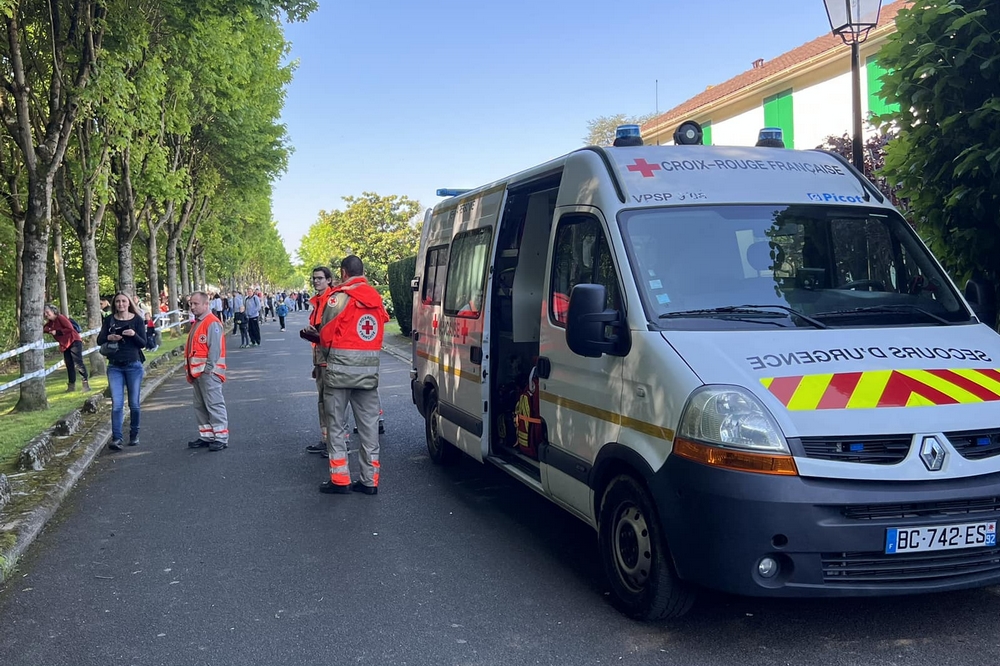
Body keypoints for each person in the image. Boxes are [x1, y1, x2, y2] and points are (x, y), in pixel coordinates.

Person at [318, 255, 389, 495]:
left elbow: (325, 335)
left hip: (339, 375)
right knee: (369, 428)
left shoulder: (338, 298)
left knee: (336, 426)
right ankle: (370, 481)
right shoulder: (376, 299)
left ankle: (340, 480)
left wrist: (327, 356)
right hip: (368, 376)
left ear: (343, 273)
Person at [97, 293, 147, 450]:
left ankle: (134, 434)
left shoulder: (137, 320)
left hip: (133, 365)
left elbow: (143, 343)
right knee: (117, 404)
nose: (121, 304)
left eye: (124, 301)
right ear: (114, 304)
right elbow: (99, 340)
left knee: (134, 404)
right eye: (118, 301)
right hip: (115, 366)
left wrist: (133, 334)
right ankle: (117, 438)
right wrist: (110, 337)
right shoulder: (109, 319)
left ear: (129, 303)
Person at [185, 291, 229, 451]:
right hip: (198, 373)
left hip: (208, 373)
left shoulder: (211, 322)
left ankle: (221, 437)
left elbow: (215, 349)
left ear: (206, 304)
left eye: (195, 303)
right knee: (200, 406)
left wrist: (209, 369)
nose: (192, 306)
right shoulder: (198, 322)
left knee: (214, 404)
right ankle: (207, 436)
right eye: (191, 303)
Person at [301, 266, 335, 456]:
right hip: (320, 356)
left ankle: (338, 442)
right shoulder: (319, 301)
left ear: (329, 280)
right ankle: (327, 439)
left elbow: (331, 330)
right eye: (314, 278)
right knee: (323, 401)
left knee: (332, 402)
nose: (316, 281)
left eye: (320, 278)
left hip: (329, 357)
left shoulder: (332, 301)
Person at [42, 304, 91, 392]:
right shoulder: (51, 322)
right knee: (69, 364)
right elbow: (44, 329)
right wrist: (49, 330)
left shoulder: (60, 317)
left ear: (53, 311)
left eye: (47, 312)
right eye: (44, 313)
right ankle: (71, 386)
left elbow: (70, 328)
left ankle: (85, 384)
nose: (46, 314)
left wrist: (57, 332)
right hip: (65, 344)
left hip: (74, 341)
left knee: (78, 363)